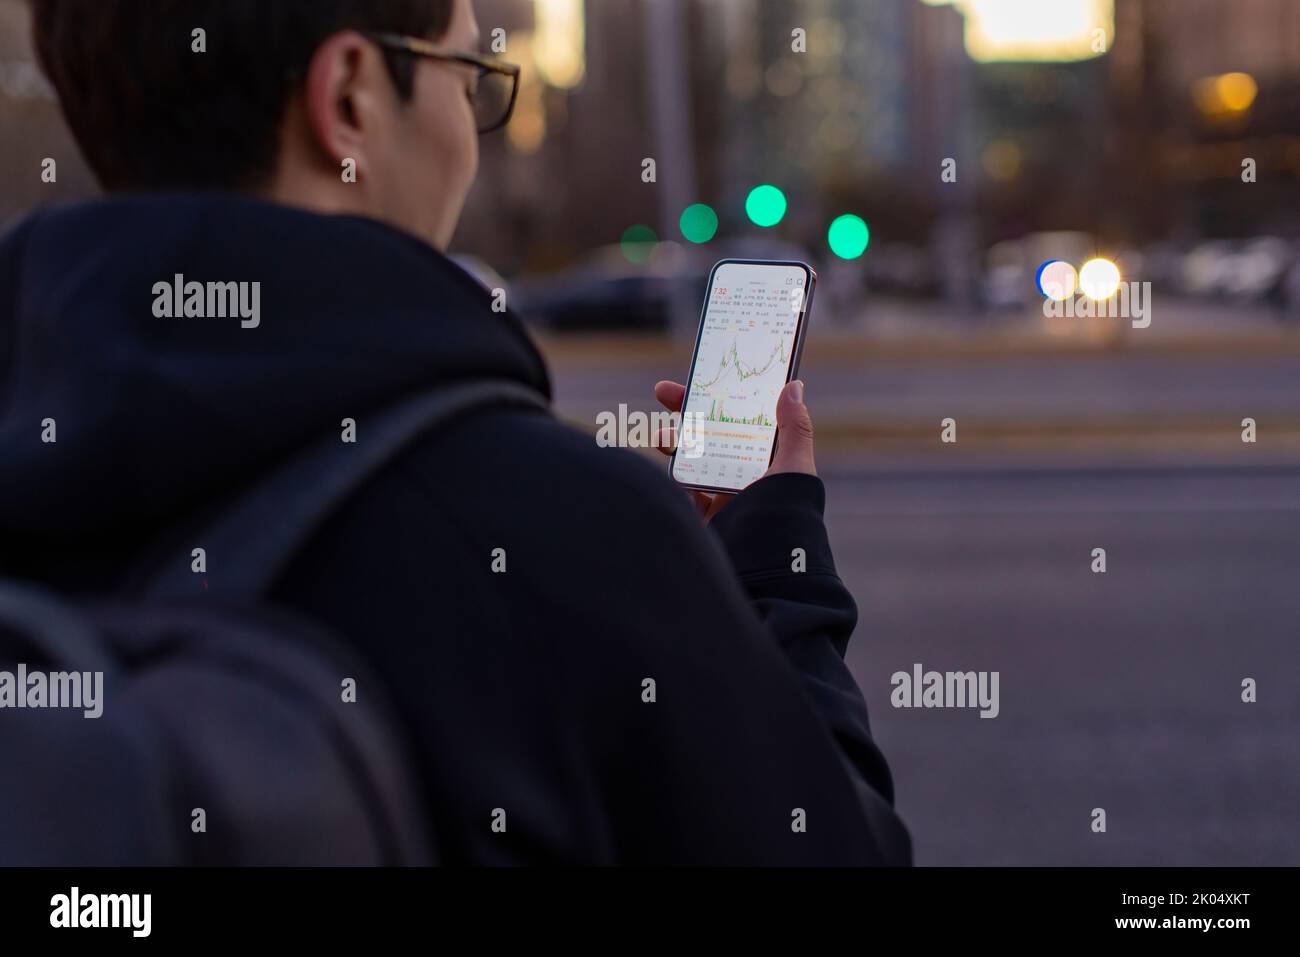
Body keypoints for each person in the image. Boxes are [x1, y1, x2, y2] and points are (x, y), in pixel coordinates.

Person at [0, 0, 911, 865]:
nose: (470, 135)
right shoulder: (568, 535)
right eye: (468, 75)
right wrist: (776, 563)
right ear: (351, 95)